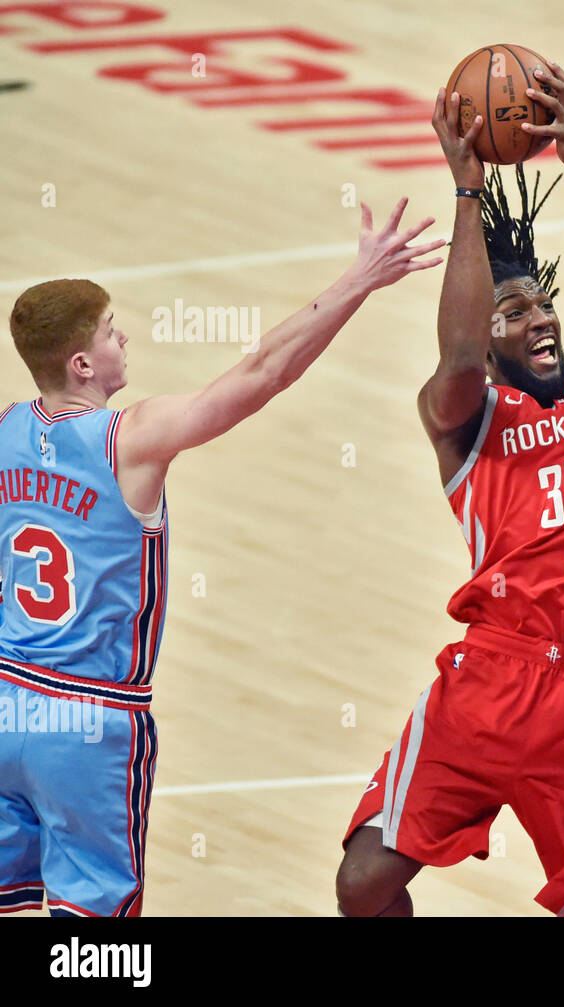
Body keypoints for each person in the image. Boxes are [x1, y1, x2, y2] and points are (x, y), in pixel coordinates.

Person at [0, 200, 442, 916]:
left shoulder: (7, 430)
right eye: (111, 330)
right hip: (88, 720)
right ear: (82, 364)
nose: (124, 337)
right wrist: (359, 279)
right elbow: (264, 371)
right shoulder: (130, 438)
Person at [334, 61, 564, 917]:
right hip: (487, 677)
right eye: (514, 313)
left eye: (544, 304)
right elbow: (456, 355)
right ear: (489, 345)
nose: (542, 318)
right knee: (363, 885)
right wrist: (466, 192)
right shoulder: (463, 415)